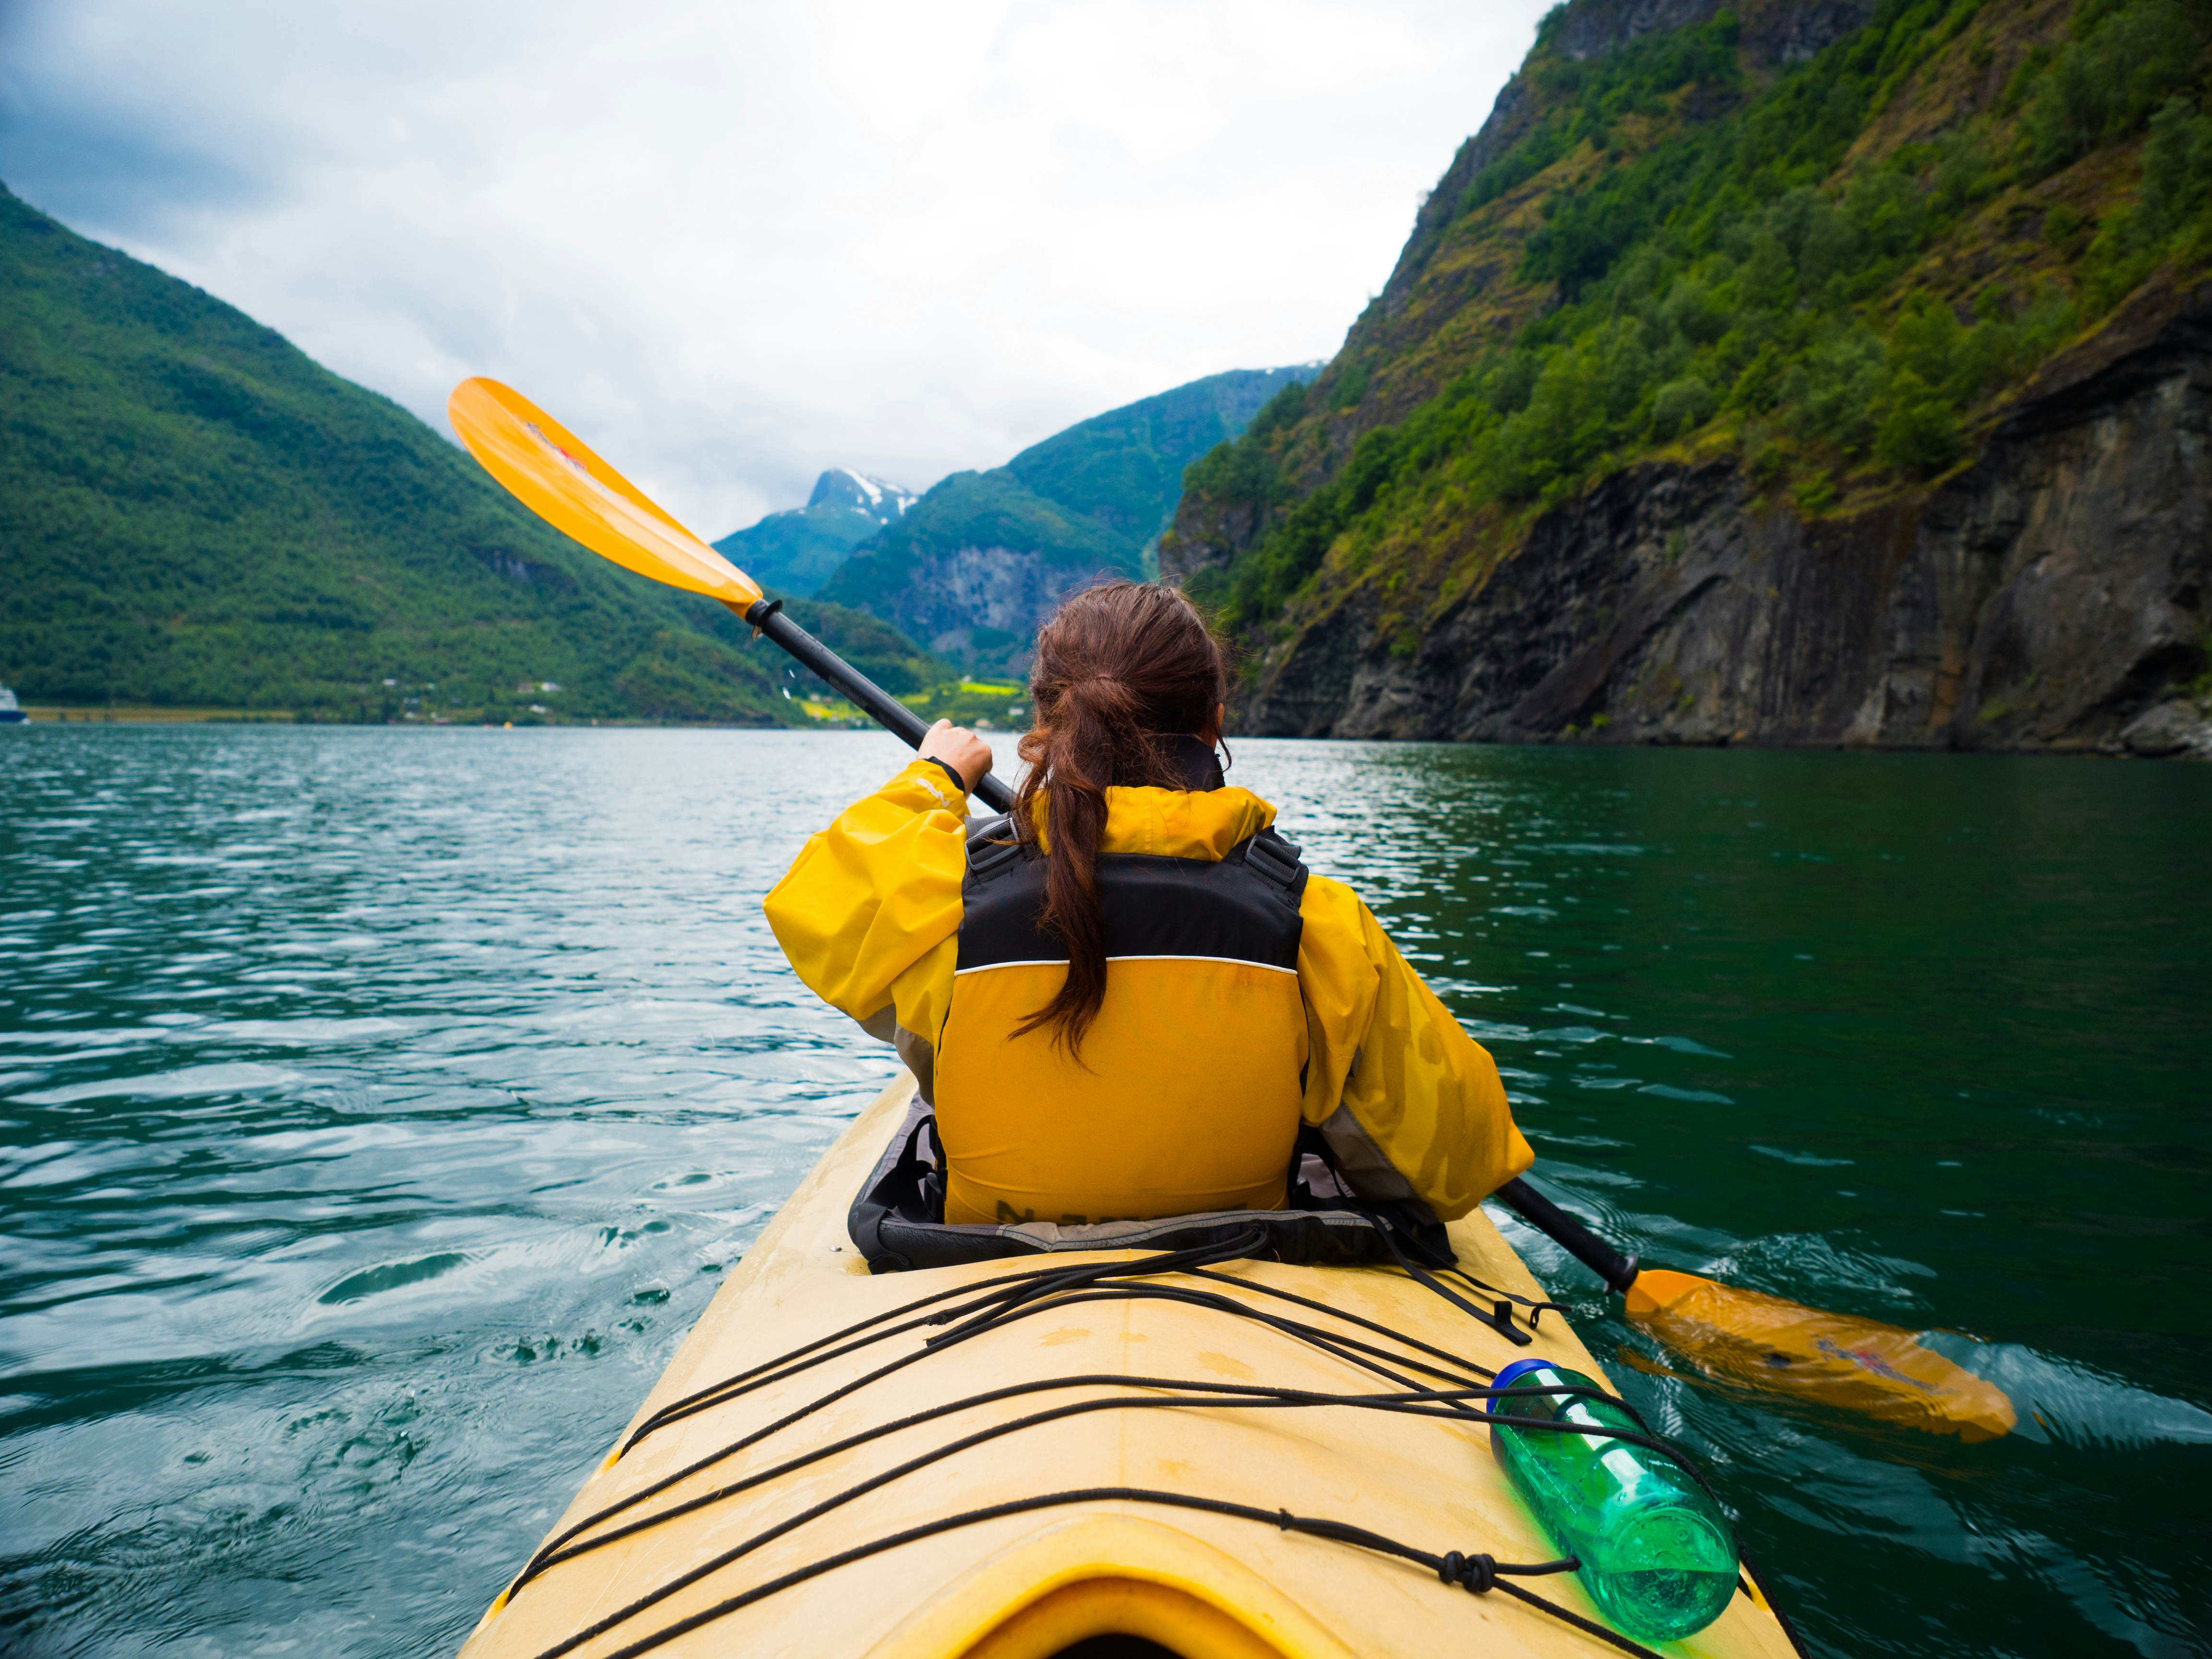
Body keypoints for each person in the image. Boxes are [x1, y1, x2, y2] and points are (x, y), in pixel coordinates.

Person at [765, 581, 1531, 1229]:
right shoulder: (1314, 924)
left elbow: (816, 901)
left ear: (1045, 730)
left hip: (980, 1263)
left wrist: (934, 777)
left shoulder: (945, 908)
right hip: (1245, 1266)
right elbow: (1460, 1162)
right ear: (1215, 724)